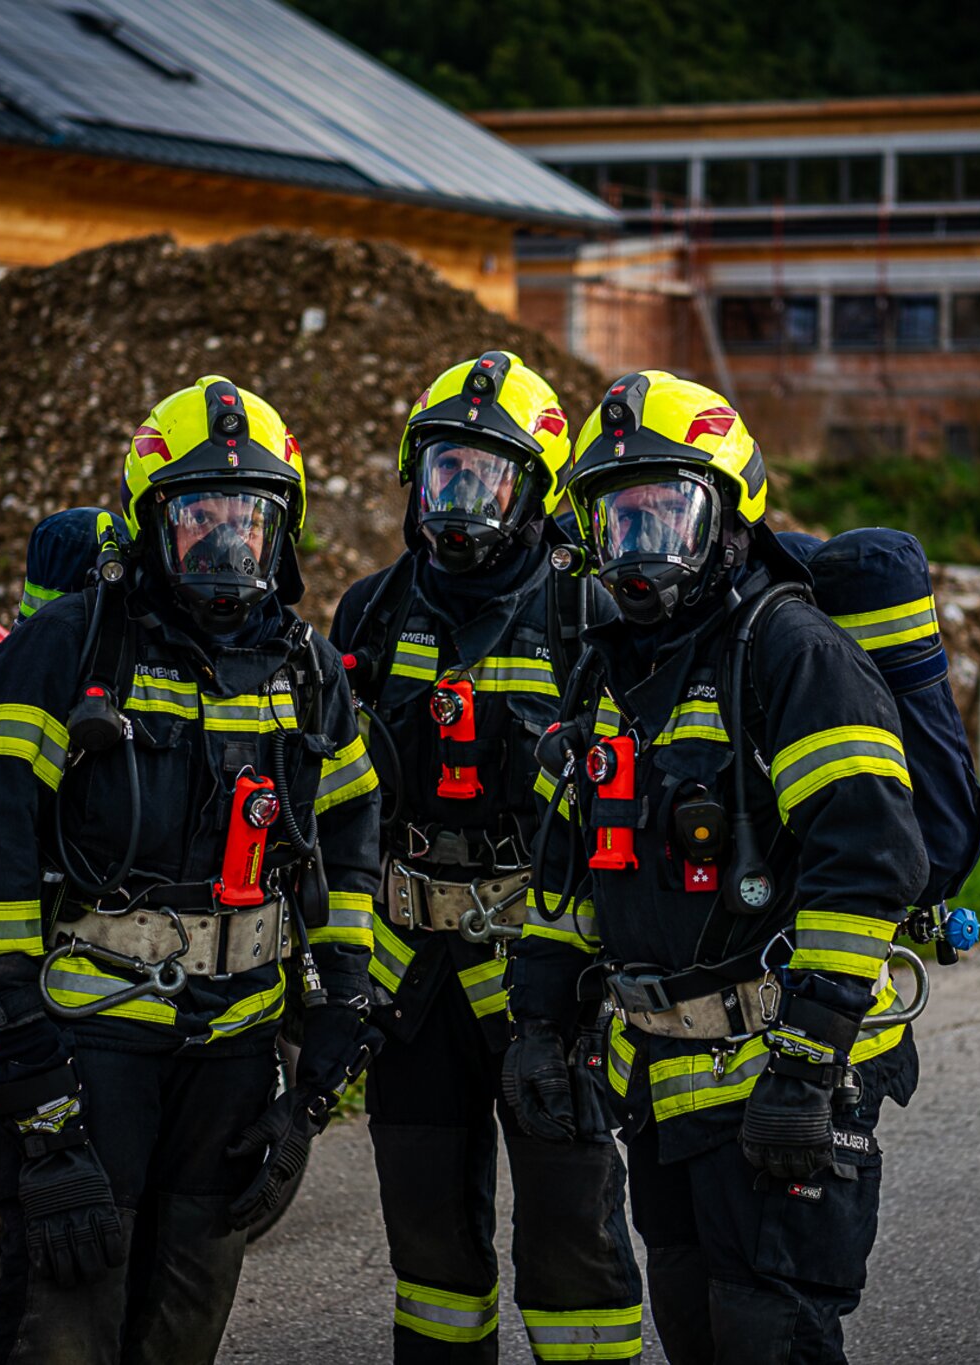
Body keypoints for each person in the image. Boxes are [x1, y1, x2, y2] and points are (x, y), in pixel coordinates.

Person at [0, 377, 382, 1364]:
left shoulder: (309, 673)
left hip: (235, 1058)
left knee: (185, 1322)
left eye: (247, 518)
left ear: (282, 529)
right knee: (62, 1326)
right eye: (199, 516)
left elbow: (350, 839)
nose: (226, 541)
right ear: (151, 523)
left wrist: (334, 1023)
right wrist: (32, 1087)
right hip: (93, 1051)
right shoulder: (67, 649)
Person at [504, 371, 928, 1365]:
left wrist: (807, 1060)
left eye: (665, 516)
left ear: (729, 519)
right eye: (619, 522)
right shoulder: (612, 670)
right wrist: (540, 1023)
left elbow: (867, 861)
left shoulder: (789, 652)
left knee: (768, 1336)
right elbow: (573, 870)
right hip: (668, 1088)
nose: (639, 548)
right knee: (695, 1327)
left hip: (788, 1071)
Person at [331, 351, 644, 1362]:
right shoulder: (371, 612)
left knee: (571, 1235)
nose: (458, 498)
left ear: (536, 491)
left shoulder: (588, 615)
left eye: (485, 476)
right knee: (427, 1242)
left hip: (545, 981)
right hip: (412, 982)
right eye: (444, 471)